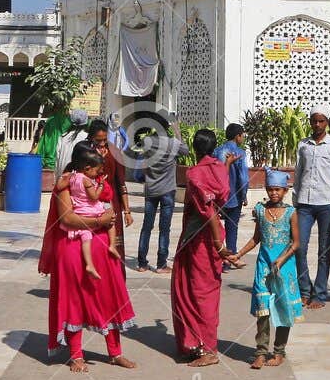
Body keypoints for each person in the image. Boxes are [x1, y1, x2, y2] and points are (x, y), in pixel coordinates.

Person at [43, 141, 137, 371]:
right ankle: (76, 355)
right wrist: (99, 221)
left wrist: (111, 216)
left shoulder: (96, 179)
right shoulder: (66, 184)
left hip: (102, 248)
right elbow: (67, 219)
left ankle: (115, 352)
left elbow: (107, 200)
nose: (103, 152)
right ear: (83, 165)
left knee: (109, 296)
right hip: (73, 247)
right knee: (74, 298)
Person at [229, 169, 303, 368]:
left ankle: (279, 351)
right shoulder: (260, 211)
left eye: (278, 189)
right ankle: (261, 352)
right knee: (263, 311)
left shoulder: (291, 213)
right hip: (263, 267)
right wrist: (239, 254)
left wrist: (281, 259)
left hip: (284, 268)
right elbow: (256, 239)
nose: (274, 193)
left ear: (285, 190)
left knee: (283, 308)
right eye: (270, 189)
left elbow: (296, 243)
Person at [171, 130, 230, 367]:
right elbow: (219, 201)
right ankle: (194, 343)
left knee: (196, 291)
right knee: (201, 289)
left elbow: (209, 212)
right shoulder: (220, 169)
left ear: (194, 149)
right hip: (208, 234)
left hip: (201, 239)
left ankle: (207, 348)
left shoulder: (195, 174)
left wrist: (218, 246)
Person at [291, 111, 330, 309]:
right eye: (314, 121)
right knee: (299, 247)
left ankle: (320, 294)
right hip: (304, 204)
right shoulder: (303, 145)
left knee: (324, 251)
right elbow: (298, 174)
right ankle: (304, 290)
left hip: (327, 203)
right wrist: (294, 200)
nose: (317, 125)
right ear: (310, 122)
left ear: (326, 123)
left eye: (321, 121)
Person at [63, 144, 122, 279]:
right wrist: (100, 185)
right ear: (87, 168)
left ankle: (89, 264)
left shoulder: (71, 178)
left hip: (80, 211)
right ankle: (112, 245)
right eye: (96, 171)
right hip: (90, 211)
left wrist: (63, 179)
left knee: (86, 236)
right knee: (111, 219)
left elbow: (59, 185)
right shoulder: (86, 180)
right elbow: (94, 197)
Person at [136, 122, 184, 272]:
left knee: (146, 227)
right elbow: (186, 150)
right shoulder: (173, 143)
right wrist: (177, 130)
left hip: (151, 189)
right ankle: (161, 264)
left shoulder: (147, 142)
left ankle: (142, 263)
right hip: (168, 190)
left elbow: (142, 159)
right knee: (165, 228)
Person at [86, 118, 131, 258]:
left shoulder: (115, 152)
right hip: (90, 203)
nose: (102, 144)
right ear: (91, 137)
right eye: (98, 140)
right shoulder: (86, 152)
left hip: (113, 203)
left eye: (104, 140)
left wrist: (127, 211)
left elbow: (121, 183)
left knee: (115, 246)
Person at [214, 122, 250, 262]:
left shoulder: (217, 151)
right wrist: (244, 195)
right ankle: (230, 258)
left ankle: (218, 257)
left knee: (216, 228)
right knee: (232, 228)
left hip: (218, 196)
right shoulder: (240, 153)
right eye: (243, 135)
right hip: (234, 197)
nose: (243, 138)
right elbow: (243, 177)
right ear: (238, 136)